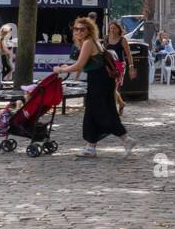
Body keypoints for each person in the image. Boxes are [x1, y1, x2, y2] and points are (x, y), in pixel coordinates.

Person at [54, 16, 134, 159]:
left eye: (82, 29)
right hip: (101, 79)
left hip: (99, 80)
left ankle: (126, 139)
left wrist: (61, 70)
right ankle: (91, 147)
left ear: (89, 30)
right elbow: (82, 64)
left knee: (101, 112)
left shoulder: (88, 43)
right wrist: (68, 68)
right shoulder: (93, 42)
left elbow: (79, 65)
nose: (78, 32)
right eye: (76, 29)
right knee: (93, 112)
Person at [105, 21, 135, 113]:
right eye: (111, 28)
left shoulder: (122, 40)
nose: (112, 30)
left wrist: (131, 66)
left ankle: (112, 109)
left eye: (114, 28)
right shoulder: (106, 38)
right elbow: (104, 52)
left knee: (113, 86)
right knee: (109, 86)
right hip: (108, 65)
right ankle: (121, 103)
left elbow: (128, 55)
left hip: (119, 66)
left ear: (118, 29)